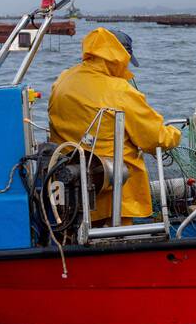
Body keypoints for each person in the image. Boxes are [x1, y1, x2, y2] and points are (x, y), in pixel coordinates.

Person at [48, 27, 181, 223]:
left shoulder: (63, 79)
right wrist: (175, 134)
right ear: (120, 56)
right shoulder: (119, 90)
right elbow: (154, 138)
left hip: (69, 186)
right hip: (115, 192)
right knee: (116, 236)